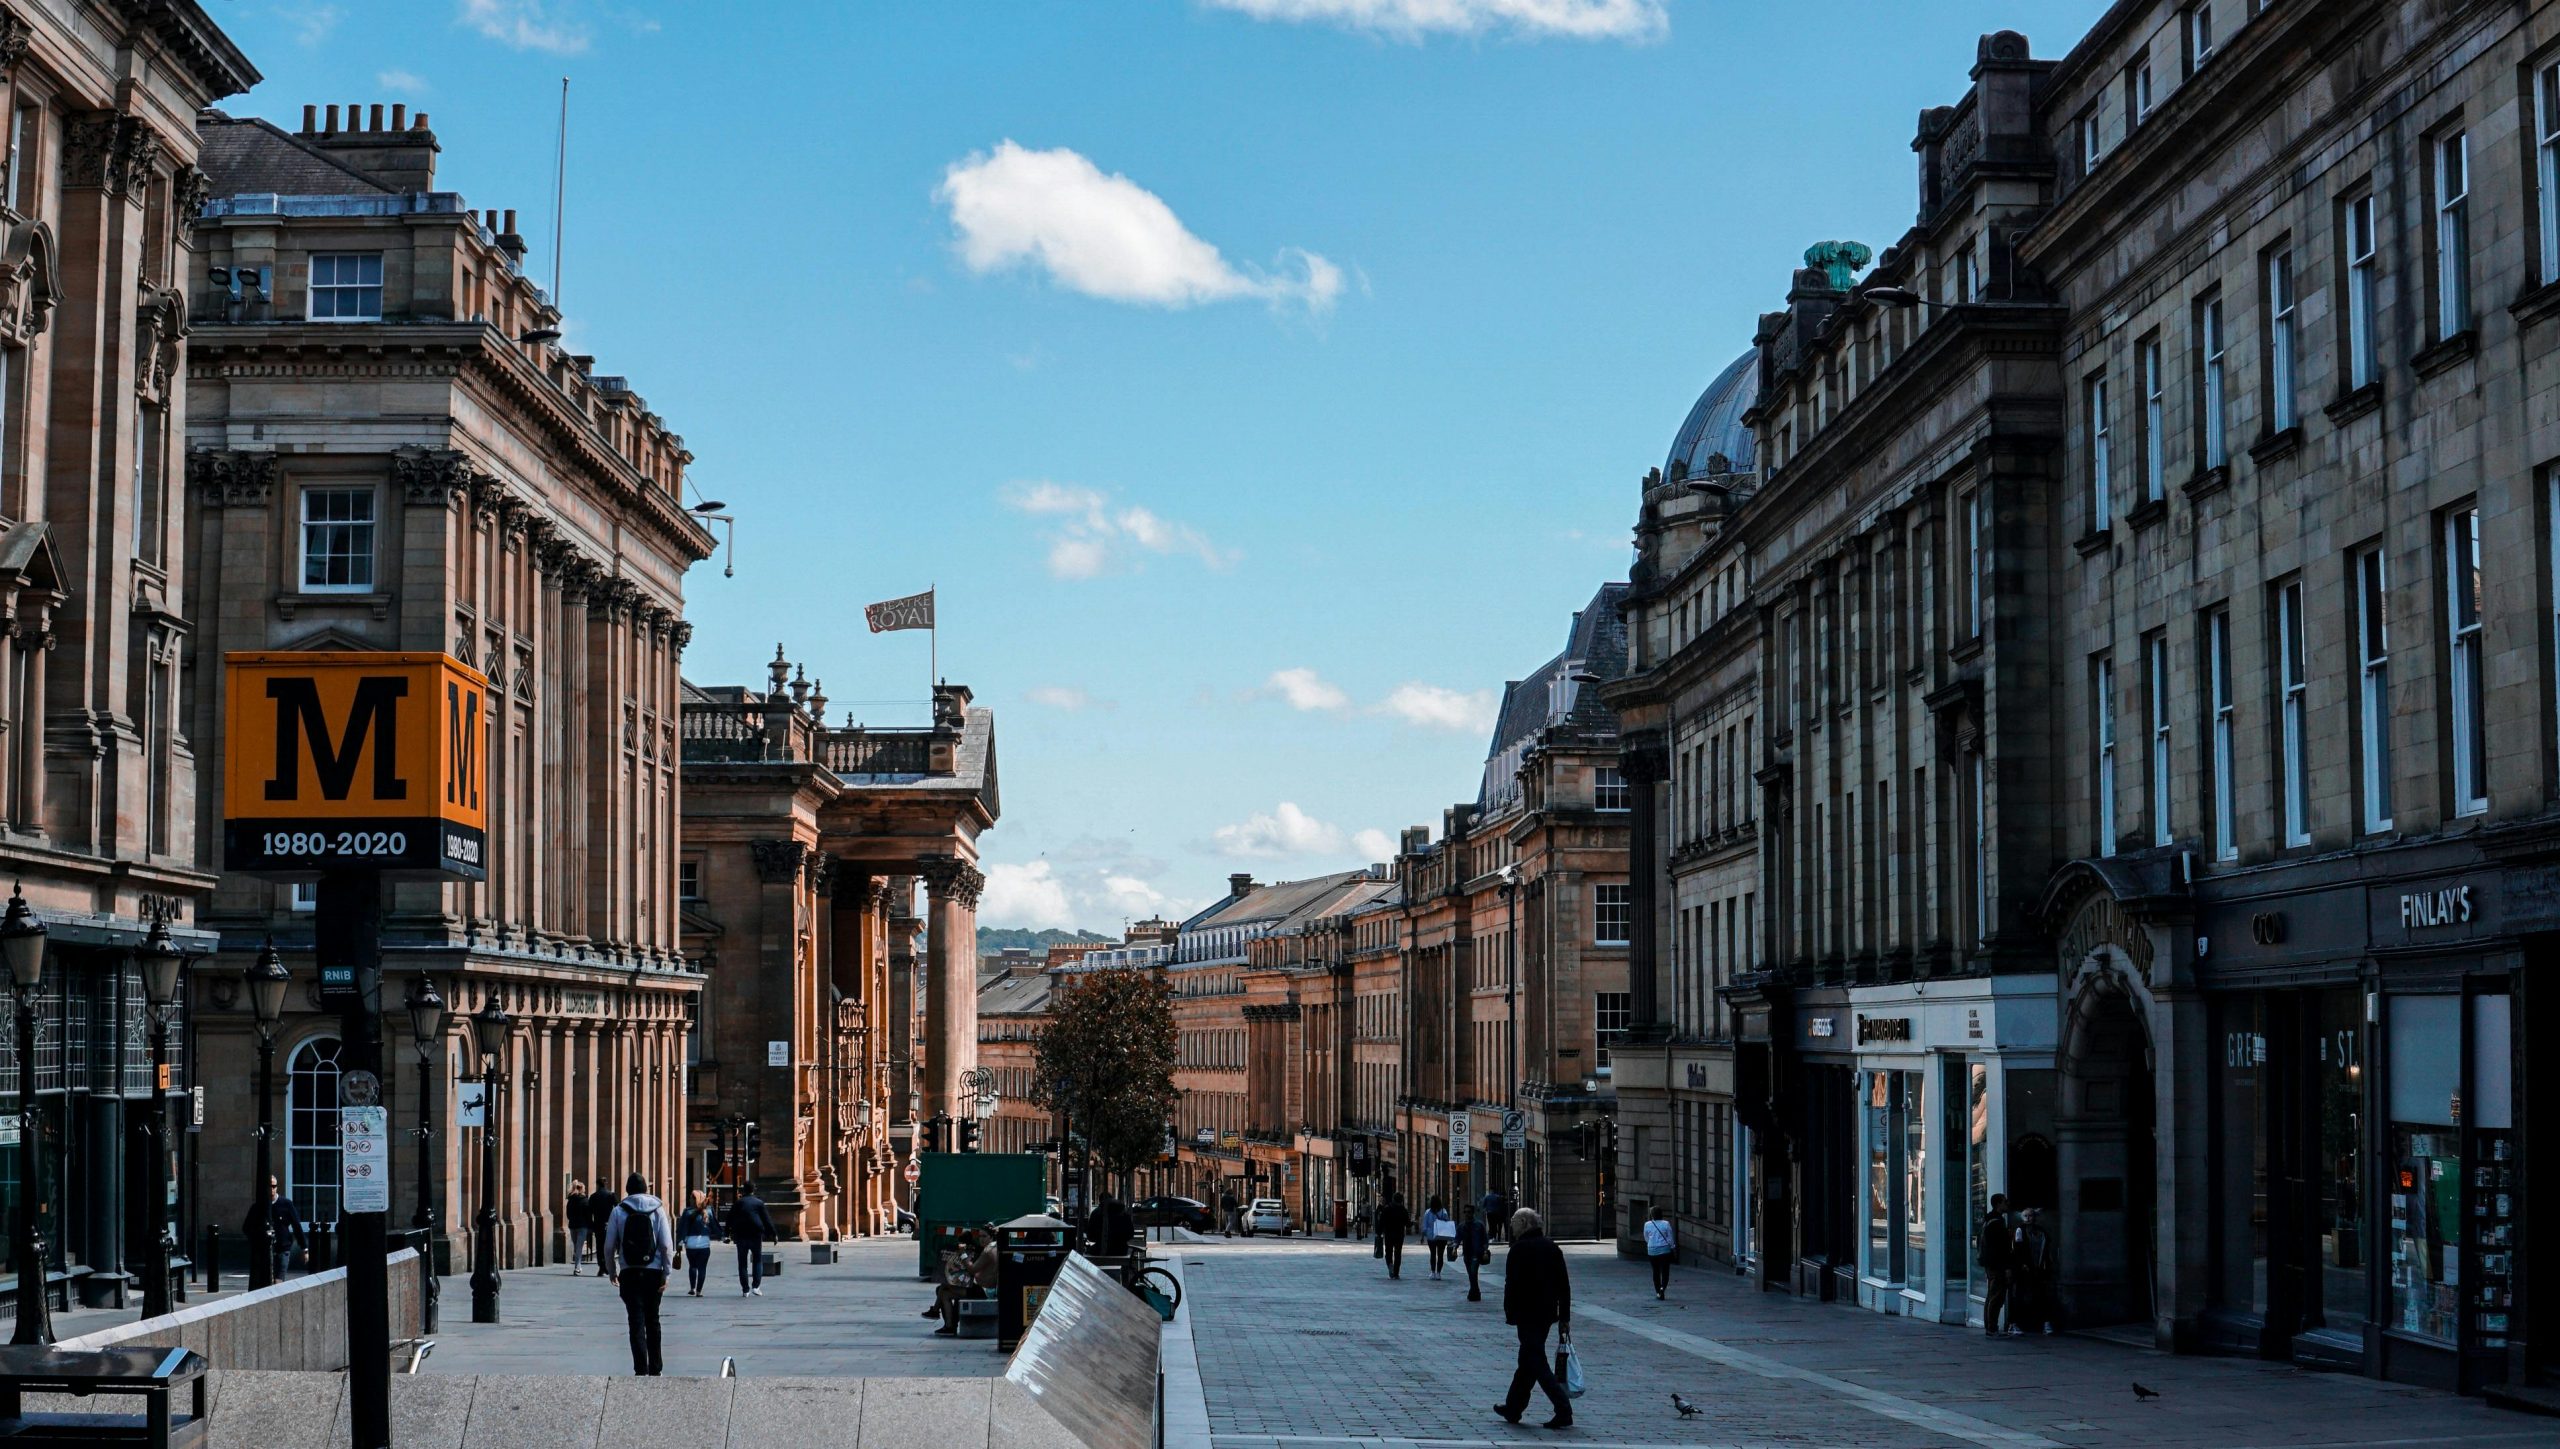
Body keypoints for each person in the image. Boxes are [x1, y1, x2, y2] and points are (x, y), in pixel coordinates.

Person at [1495, 1207, 1572, 1431]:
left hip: (1526, 1313)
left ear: (1525, 1224)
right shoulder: (1552, 1248)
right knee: (1527, 1359)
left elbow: (1512, 1285)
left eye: (1514, 1222)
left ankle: (1563, 1408)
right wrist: (1564, 1317)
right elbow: (1563, 1286)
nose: (1512, 1226)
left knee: (1535, 1361)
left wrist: (1510, 1313)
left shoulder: (1518, 1250)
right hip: (1547, 1314)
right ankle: (1513, 1407)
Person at [602, 1171, 674, 1377]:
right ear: (646, 1189)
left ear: (627, 1190)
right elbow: (666, 1246)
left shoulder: (618, 1211)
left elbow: (609, 1246)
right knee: (653, 1320)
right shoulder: (658, 1210)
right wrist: (666, 1274)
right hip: (653, 1272)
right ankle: (656, 1368)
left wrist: (612, 1271)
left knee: (635, 1321)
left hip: (630, 1272)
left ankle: (640, 1369)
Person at [932, 1227, 999, 1335]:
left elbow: (972, 1269)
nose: (981, 1239)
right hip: (984, 1288)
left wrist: (963, 1254)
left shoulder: (988, 1251)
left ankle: (946, 1322)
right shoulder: (994, 1247)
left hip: (982, 1291)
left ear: (991, 1237)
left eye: (984, 1236)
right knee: (944, 1291)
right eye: (979, 1236)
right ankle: (948, 1325)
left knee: (944, 1288)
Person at [2011, 1207, 2058, 1335]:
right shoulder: (2020, 1230)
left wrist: (2046, 1264)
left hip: (2038, 1267)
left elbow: (2046, 1249)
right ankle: (2016, 1323)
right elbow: (2018, 1249)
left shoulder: (2041, 1232)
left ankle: (2043, 1323)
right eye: (2025, 1216)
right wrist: (2022, 1264)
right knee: (2021, 1296)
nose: (2028, 1218)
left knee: (2041, 1295)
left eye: (2030, 1216)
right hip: (2025, 1269)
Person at [726, 1178, 778, 1296]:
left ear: (743, 1190)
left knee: (742, 1262)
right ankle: (756, 1286)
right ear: (754, 1190)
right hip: (755, 1234)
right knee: (757, 1260)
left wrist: (726, 1233)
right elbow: (767, 1219)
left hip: (741, 1235)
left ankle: (745, 1289)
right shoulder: (759, 1203)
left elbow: (730, 1218)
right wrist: (773, 1234)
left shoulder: (738, 1203)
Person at [248, 1176, 305, 1282]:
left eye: (274, 1186)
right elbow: (247, 1227)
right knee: (266, 1281)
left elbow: (296, 1225)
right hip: (265, 1250)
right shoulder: (258, 1206)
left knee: (278, 1281)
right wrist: (257, 1240)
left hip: (283, 1249)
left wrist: (304, 1248)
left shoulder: (286, 1204)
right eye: (269, 1186)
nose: (272, 1189)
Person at [1978, 1193, 2014, 1336]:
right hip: (1997, 1265)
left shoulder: (1990, 1220)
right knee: (1996, 1296)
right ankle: (1992, 1327)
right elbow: (2000, 1248)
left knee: (1992, 1295)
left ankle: (1990, 1326)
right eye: (2005, 1202)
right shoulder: (1996, 1223)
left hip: (1991, 1264)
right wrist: (2006, 1267)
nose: (2007, 1204)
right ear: (1998, 1204)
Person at [677, 1191, 715, 1297]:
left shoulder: (687, 1212)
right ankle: (699, 1291)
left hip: (691, 1244)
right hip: (704, 1245)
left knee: (692, 1266)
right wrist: (723, 1236)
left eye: (691, 1198)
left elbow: (682, 1228)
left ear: (695, 1200)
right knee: (702, 1268)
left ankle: (692, 1288)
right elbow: (714, 1226)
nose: (689, 1200)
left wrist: (680, 1241)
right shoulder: (708, 1211)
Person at [586, 1180, 621, 1288]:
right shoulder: (611, 1195)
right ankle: (605, 1266)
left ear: (597, 1185)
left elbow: (589, 1212)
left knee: (600, 1245)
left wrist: (591, 1225)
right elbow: (618, 1207)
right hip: (609, 1224)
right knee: (609, 1245)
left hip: (598, 1224)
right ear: (606, 1184)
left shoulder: (593, 1196)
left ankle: (602, 1266)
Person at [1456, 1205, 1490, 1301]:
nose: (1467, 1214)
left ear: (1473, 1213)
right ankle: (1474, 1291)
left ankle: (1475, 1293)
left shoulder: (1479, 1225)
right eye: (1465, 1212)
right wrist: (1455, 1246)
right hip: (1466, 1253)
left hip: (1476, 1253)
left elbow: (1485, 1239)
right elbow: (1457, 1239)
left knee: (1473, 1272)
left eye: (1469, 1212)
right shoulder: (1462, 1226)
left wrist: (1485, 1250)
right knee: (1470, 1273)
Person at [1644, 1204, 1676, 1299]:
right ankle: (1662, 1288)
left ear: (1652, 1215)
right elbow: (1670, 1237)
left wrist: (1651, 1243)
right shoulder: (1666, 1223)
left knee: (1656, 1271)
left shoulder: (1647, 1224)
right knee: (1665, 1271)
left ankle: (1658, 1292)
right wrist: (1672, 1247)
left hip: (1652, 1250)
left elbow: (1646, 1237)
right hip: (1664, 1250)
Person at [1375, 1191, 1410, 1279]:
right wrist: (1412, 1223)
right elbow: (1408, 1223)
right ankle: (1396, 1272)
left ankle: (1390, 1264)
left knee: (1388, 1252)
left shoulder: (1387, 1208)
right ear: (1401, 1200)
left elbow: (1381, 1221)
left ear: (1393, 1199)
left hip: (1389, 1234)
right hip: (1399, 1234)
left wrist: (1378, 1232)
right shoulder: (1403, 1210)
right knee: (1398, 1253)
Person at [1422, 1196, 1455, 1278]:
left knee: (1432, 1254)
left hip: (1431, 1237)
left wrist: (1424, 1235)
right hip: (1441, 1236)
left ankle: (1433, 1272)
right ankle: (1439, 1273)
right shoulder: (1444, 1212)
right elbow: (1447, 1223)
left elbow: (1424, 1226)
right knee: (1440, 1255)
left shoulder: (1428, 1212)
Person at [563, 1179, 590, 1276]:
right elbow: (588, 1214)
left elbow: (568, 1214)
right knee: (579, 1247)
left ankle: (577, 1266)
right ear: (582, 1189)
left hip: (573, 1225)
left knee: (576, 1246)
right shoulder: (585, 1200)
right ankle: (577, 1267)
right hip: (582, 1226)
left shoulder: (570, 1200)